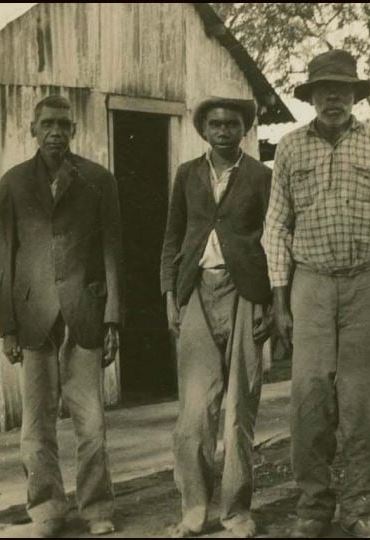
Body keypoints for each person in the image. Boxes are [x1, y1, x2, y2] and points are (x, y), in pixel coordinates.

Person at [263, 49, 370, 539]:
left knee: (364, 403)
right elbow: (277, 226)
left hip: (367, 283)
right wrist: (281, 300)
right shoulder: (289, 148)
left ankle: (362, 507)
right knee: (309, 399)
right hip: (311, 284)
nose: (333, 99)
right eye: (323, 90)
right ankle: (313, 505)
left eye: (342, 91)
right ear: (310, 96)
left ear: (354, 96)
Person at [0, 95, 124, 538]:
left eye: (63, 125)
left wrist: (112, 318)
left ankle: (97, 506)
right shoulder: (12, 183)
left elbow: (111, 252)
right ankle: (47, 508)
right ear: (32, 129)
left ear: (74, 130)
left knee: (91, 421)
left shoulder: (98, 180)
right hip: (34, 318)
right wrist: (7, 326)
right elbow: (5, 258)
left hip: (84, 312)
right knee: (36, 421)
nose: (55, 132)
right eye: (46, 124)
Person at [160, 96, 274, 538]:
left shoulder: (262, 176)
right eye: (214, 124)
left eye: (232, 124)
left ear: (244, 129)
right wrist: (171, 293)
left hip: (246, 291)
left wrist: (268, 300)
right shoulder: (187, 174)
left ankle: (237, 511)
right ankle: (193, 508)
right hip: (196, 291)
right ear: (202, 130)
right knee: (194, 410)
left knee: (239, 408)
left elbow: (274, 238)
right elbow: (173, 237)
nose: (223, 130)